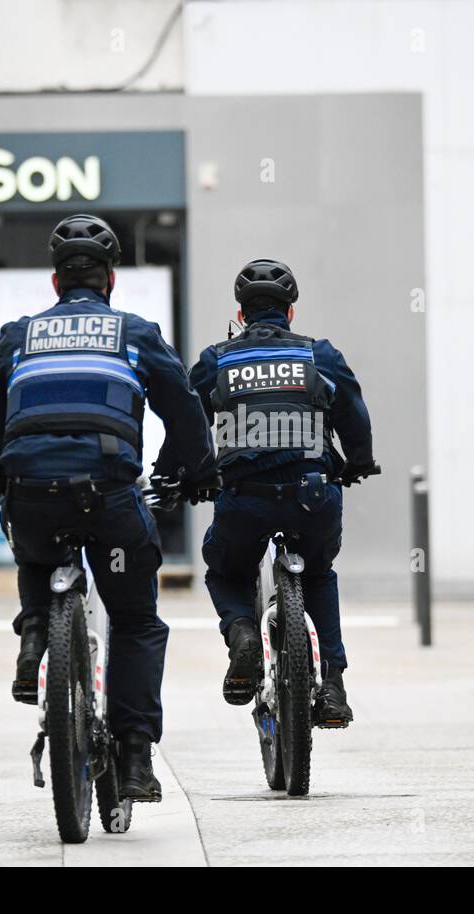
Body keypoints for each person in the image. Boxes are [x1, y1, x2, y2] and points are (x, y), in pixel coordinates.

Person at [0, 213, 215, 801]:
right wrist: (192, 473)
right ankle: (133, 760)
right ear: (111, 281)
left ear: (55, 284)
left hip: (33, 494)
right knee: (133, 620)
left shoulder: (19, 334)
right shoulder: (135, 332)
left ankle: (33, 640)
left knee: (34, 546)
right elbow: (183, 407)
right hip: (109, 498)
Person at [188, 259, 376, 727]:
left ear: (241, 312)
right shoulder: (320, 355)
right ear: (291, 312)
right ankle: (332, 686)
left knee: (225, 572)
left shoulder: (218, 360)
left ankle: (243, 634)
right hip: (311, 495)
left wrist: (193, 474)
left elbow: (189, 423)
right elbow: (354, 415)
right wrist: (358, 461)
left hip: (243, 498)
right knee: (317, 575)